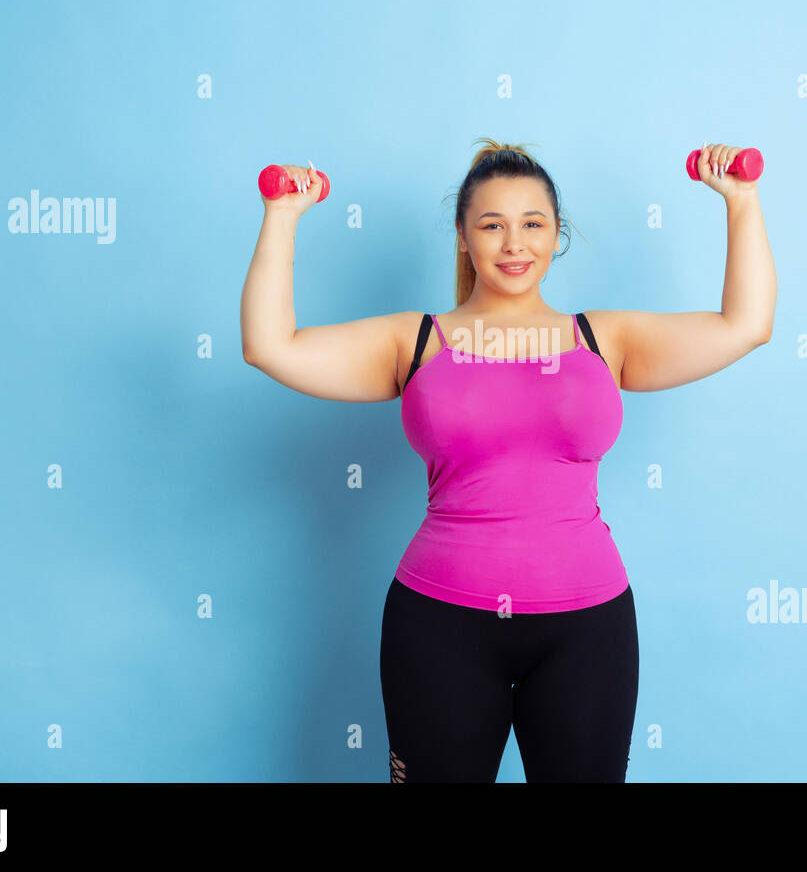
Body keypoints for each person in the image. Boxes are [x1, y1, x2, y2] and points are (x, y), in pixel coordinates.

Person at [240, 137, 776, 782]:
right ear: (463, 238)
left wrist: (741, 201)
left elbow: (747, 324)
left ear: (557, 237)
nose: (513, 243)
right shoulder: (413, 342)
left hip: (587, 630)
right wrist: (281, 215)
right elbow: (268, 346)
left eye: (533, 224)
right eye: (491, 225)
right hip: (440, 627)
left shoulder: (604, 339)